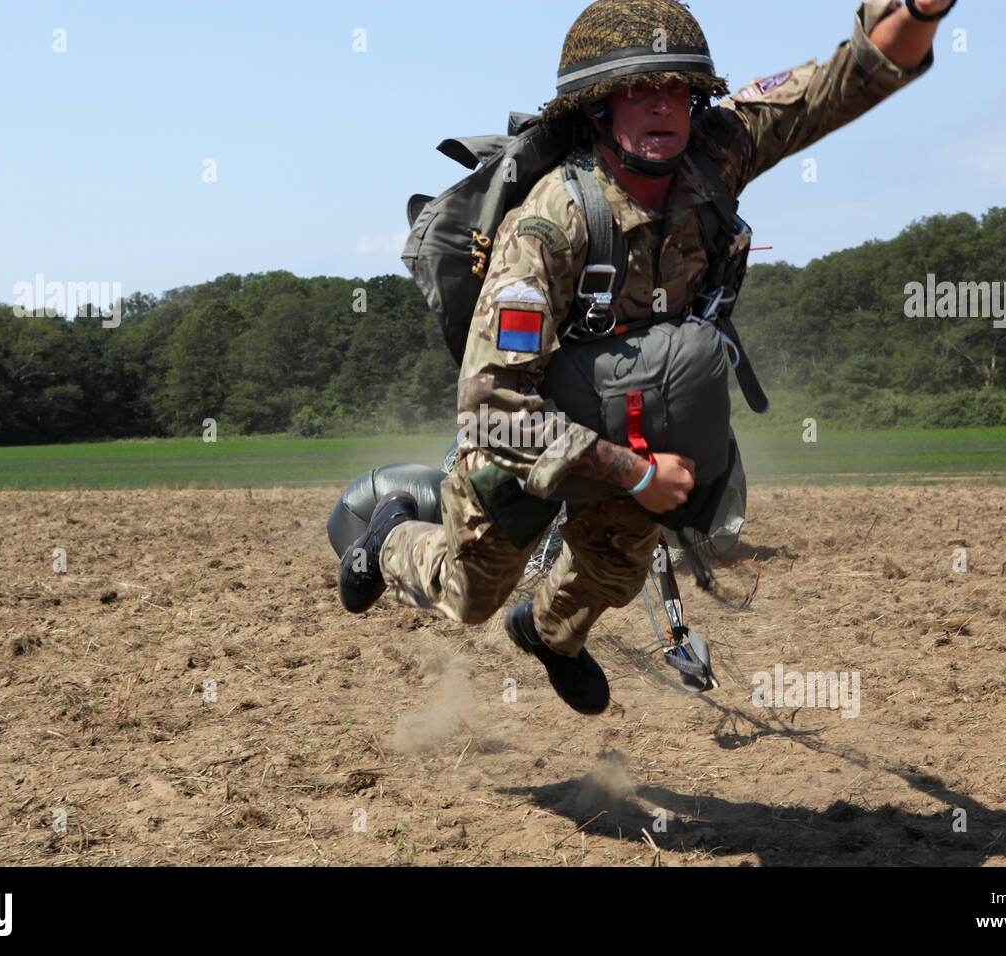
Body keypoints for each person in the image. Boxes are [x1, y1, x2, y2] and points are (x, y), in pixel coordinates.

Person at [339, 0, 953, 714]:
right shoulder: (546, 227)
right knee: (470, 594)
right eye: (638, 91)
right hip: (531, 424)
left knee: (612, 570)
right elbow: (491, 413)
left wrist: (919, 10)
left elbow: (848, 79)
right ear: (597, 109)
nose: (661, 107)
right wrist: (633, 471)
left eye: (677, 92)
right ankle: (389, 539)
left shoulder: (717, 151)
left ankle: (547, 636)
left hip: (636, 409)